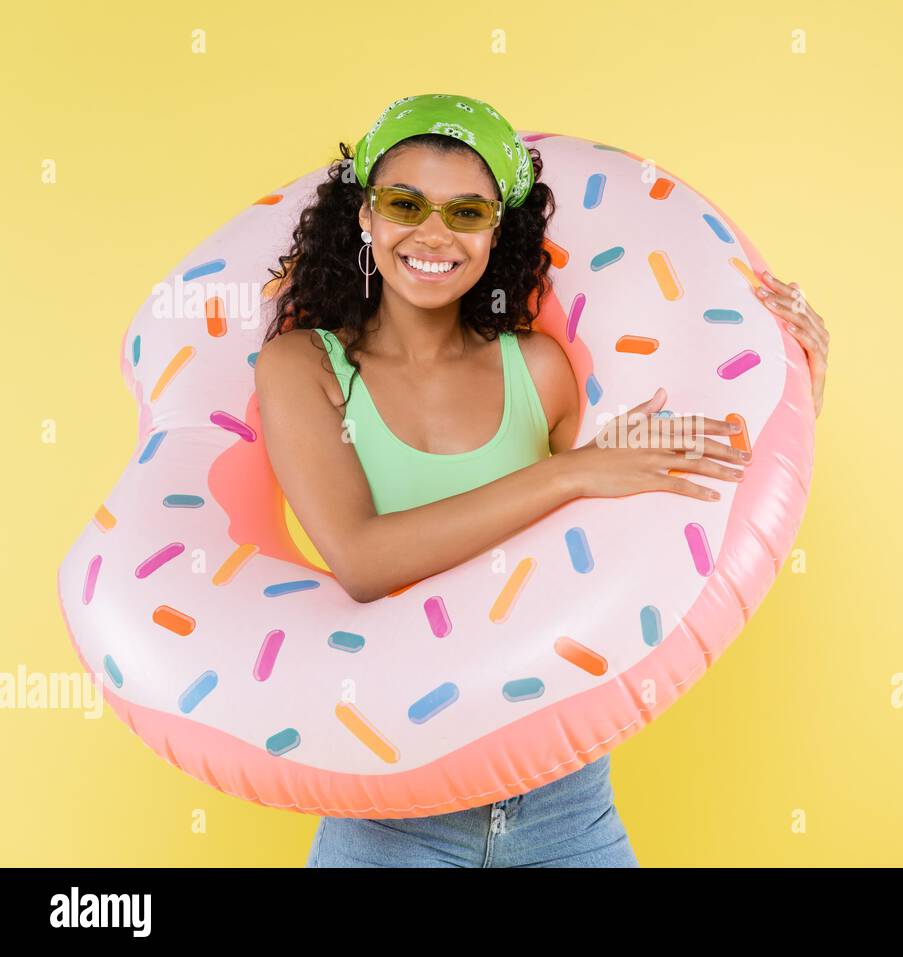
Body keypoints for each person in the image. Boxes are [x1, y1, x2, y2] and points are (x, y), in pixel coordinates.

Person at [254, 94, 830, 867]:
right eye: (405, 203)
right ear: (365, 216)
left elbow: (671, 517)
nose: (433, 234)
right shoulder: (304, 367)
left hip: (566, 802)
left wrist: (797, 388)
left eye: (466, 212)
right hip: (391, 816)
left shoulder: (539, 369)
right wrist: (570, 474)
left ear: (497, 231)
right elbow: (362, 558)